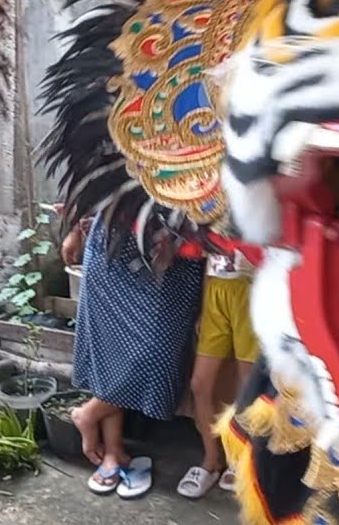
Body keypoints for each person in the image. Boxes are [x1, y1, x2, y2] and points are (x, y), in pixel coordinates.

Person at [60, 213, 205, 499]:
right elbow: (92, 174)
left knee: (159, 352)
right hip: (114, 240)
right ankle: (114, 452)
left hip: (176, 248)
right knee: (112, 348)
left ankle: (88, 413)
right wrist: (74, 228)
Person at [178, 250, 257, 499]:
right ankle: (211, 461)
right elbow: (206, 260)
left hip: (251, 289)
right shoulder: (209, 210)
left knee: (248, 386)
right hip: (216, 289)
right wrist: (203, 304)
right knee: (199, 384)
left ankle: (240, 460)